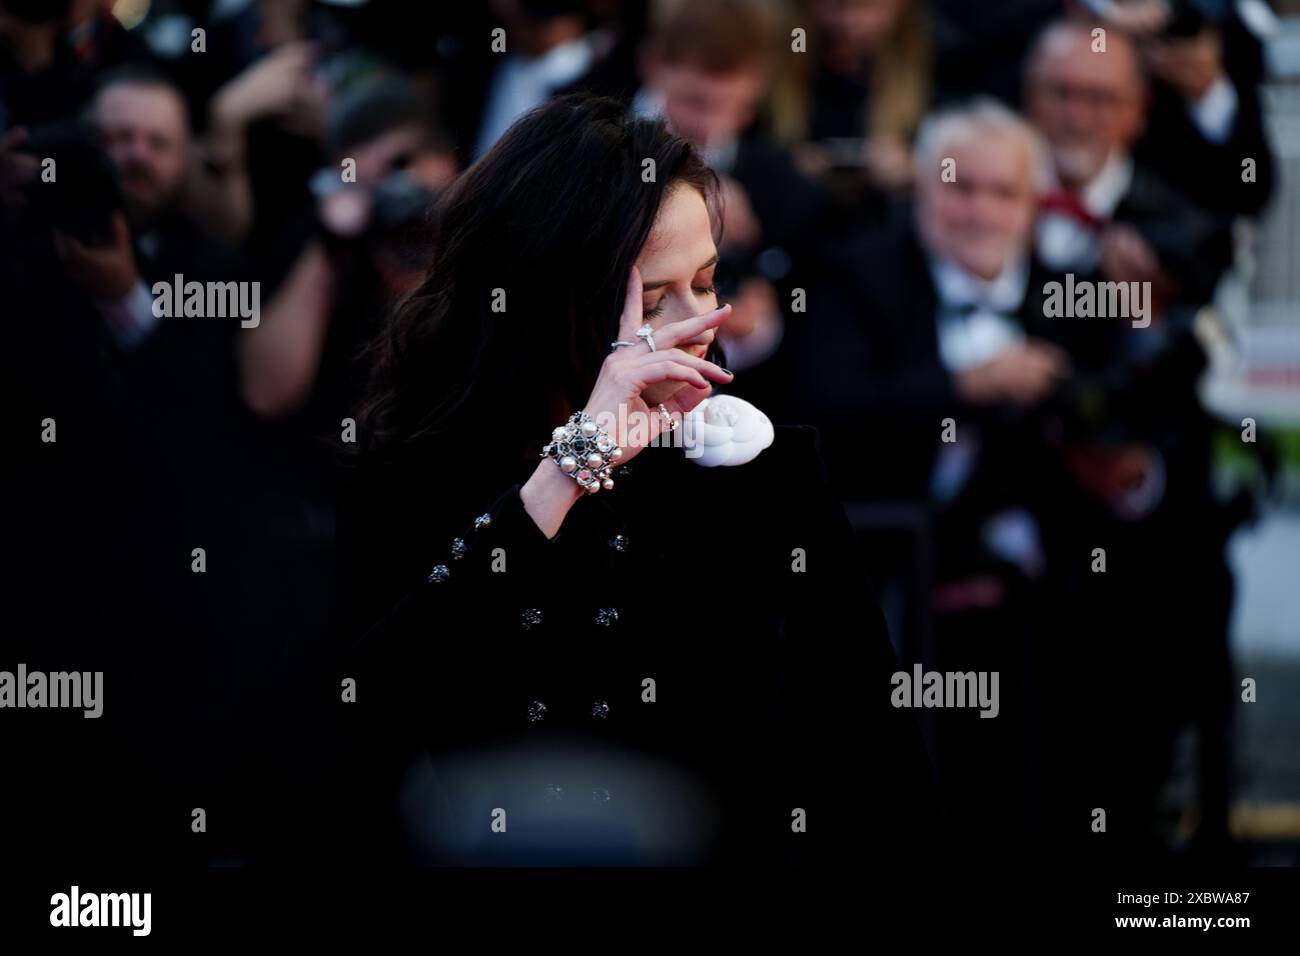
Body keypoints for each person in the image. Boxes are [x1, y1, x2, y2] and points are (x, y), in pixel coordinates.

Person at [333, 93, 931, 867]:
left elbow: (878, 762)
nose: (700, 325)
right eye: (654, 299)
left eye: (709, 281)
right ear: (552, 305)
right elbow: (370, 712)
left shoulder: (764, 470)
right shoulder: (420, 462)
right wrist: (567, 472)